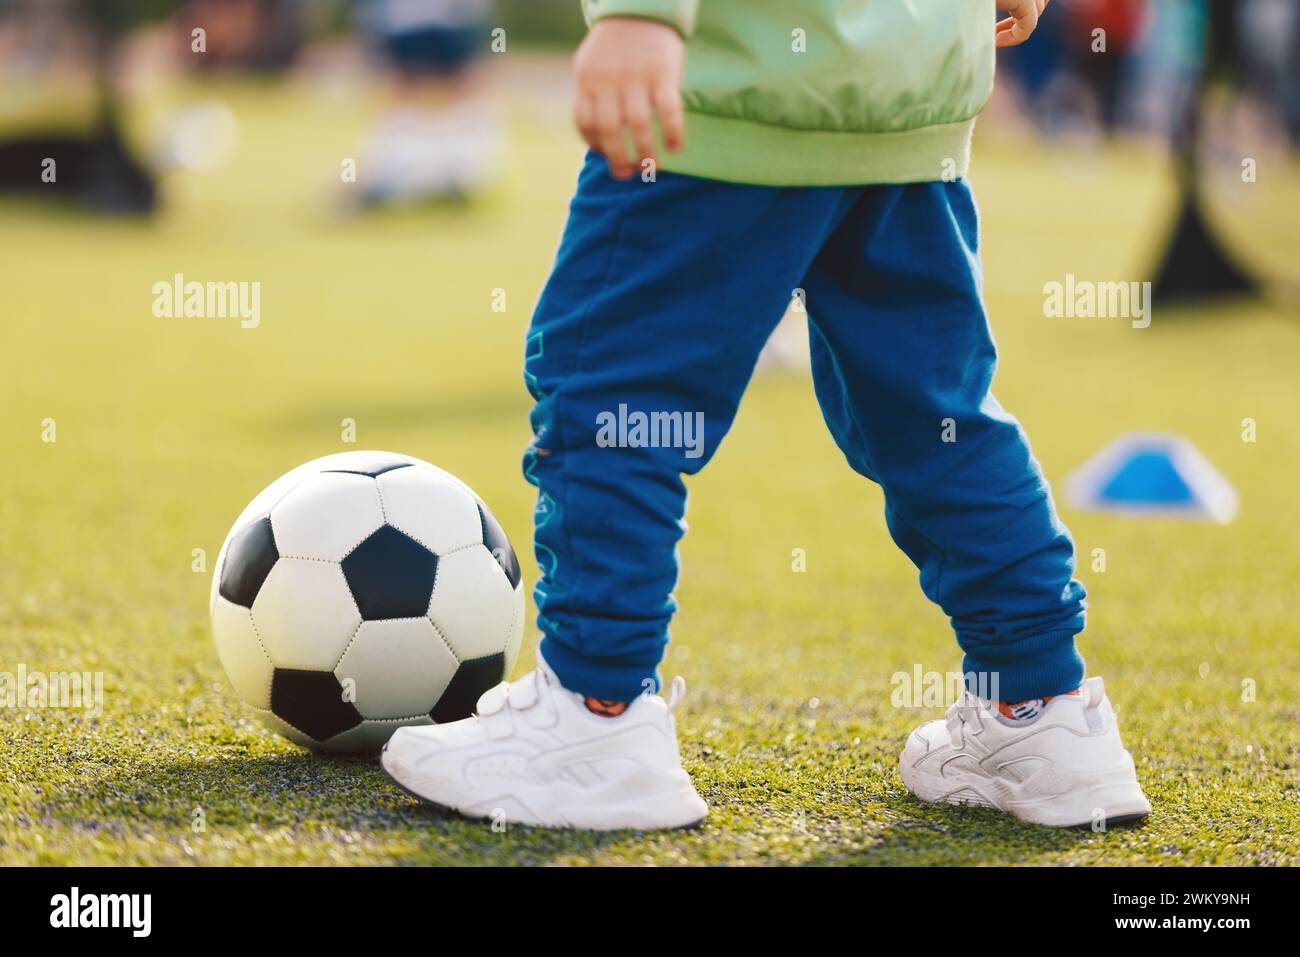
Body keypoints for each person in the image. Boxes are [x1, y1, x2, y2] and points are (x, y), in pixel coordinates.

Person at [382, 0, 1151, 831]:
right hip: (905, 94)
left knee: (610, 392)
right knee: (933, 419)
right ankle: (1040, 706)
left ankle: (594, 713)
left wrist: (641, 14)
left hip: (741, 85)